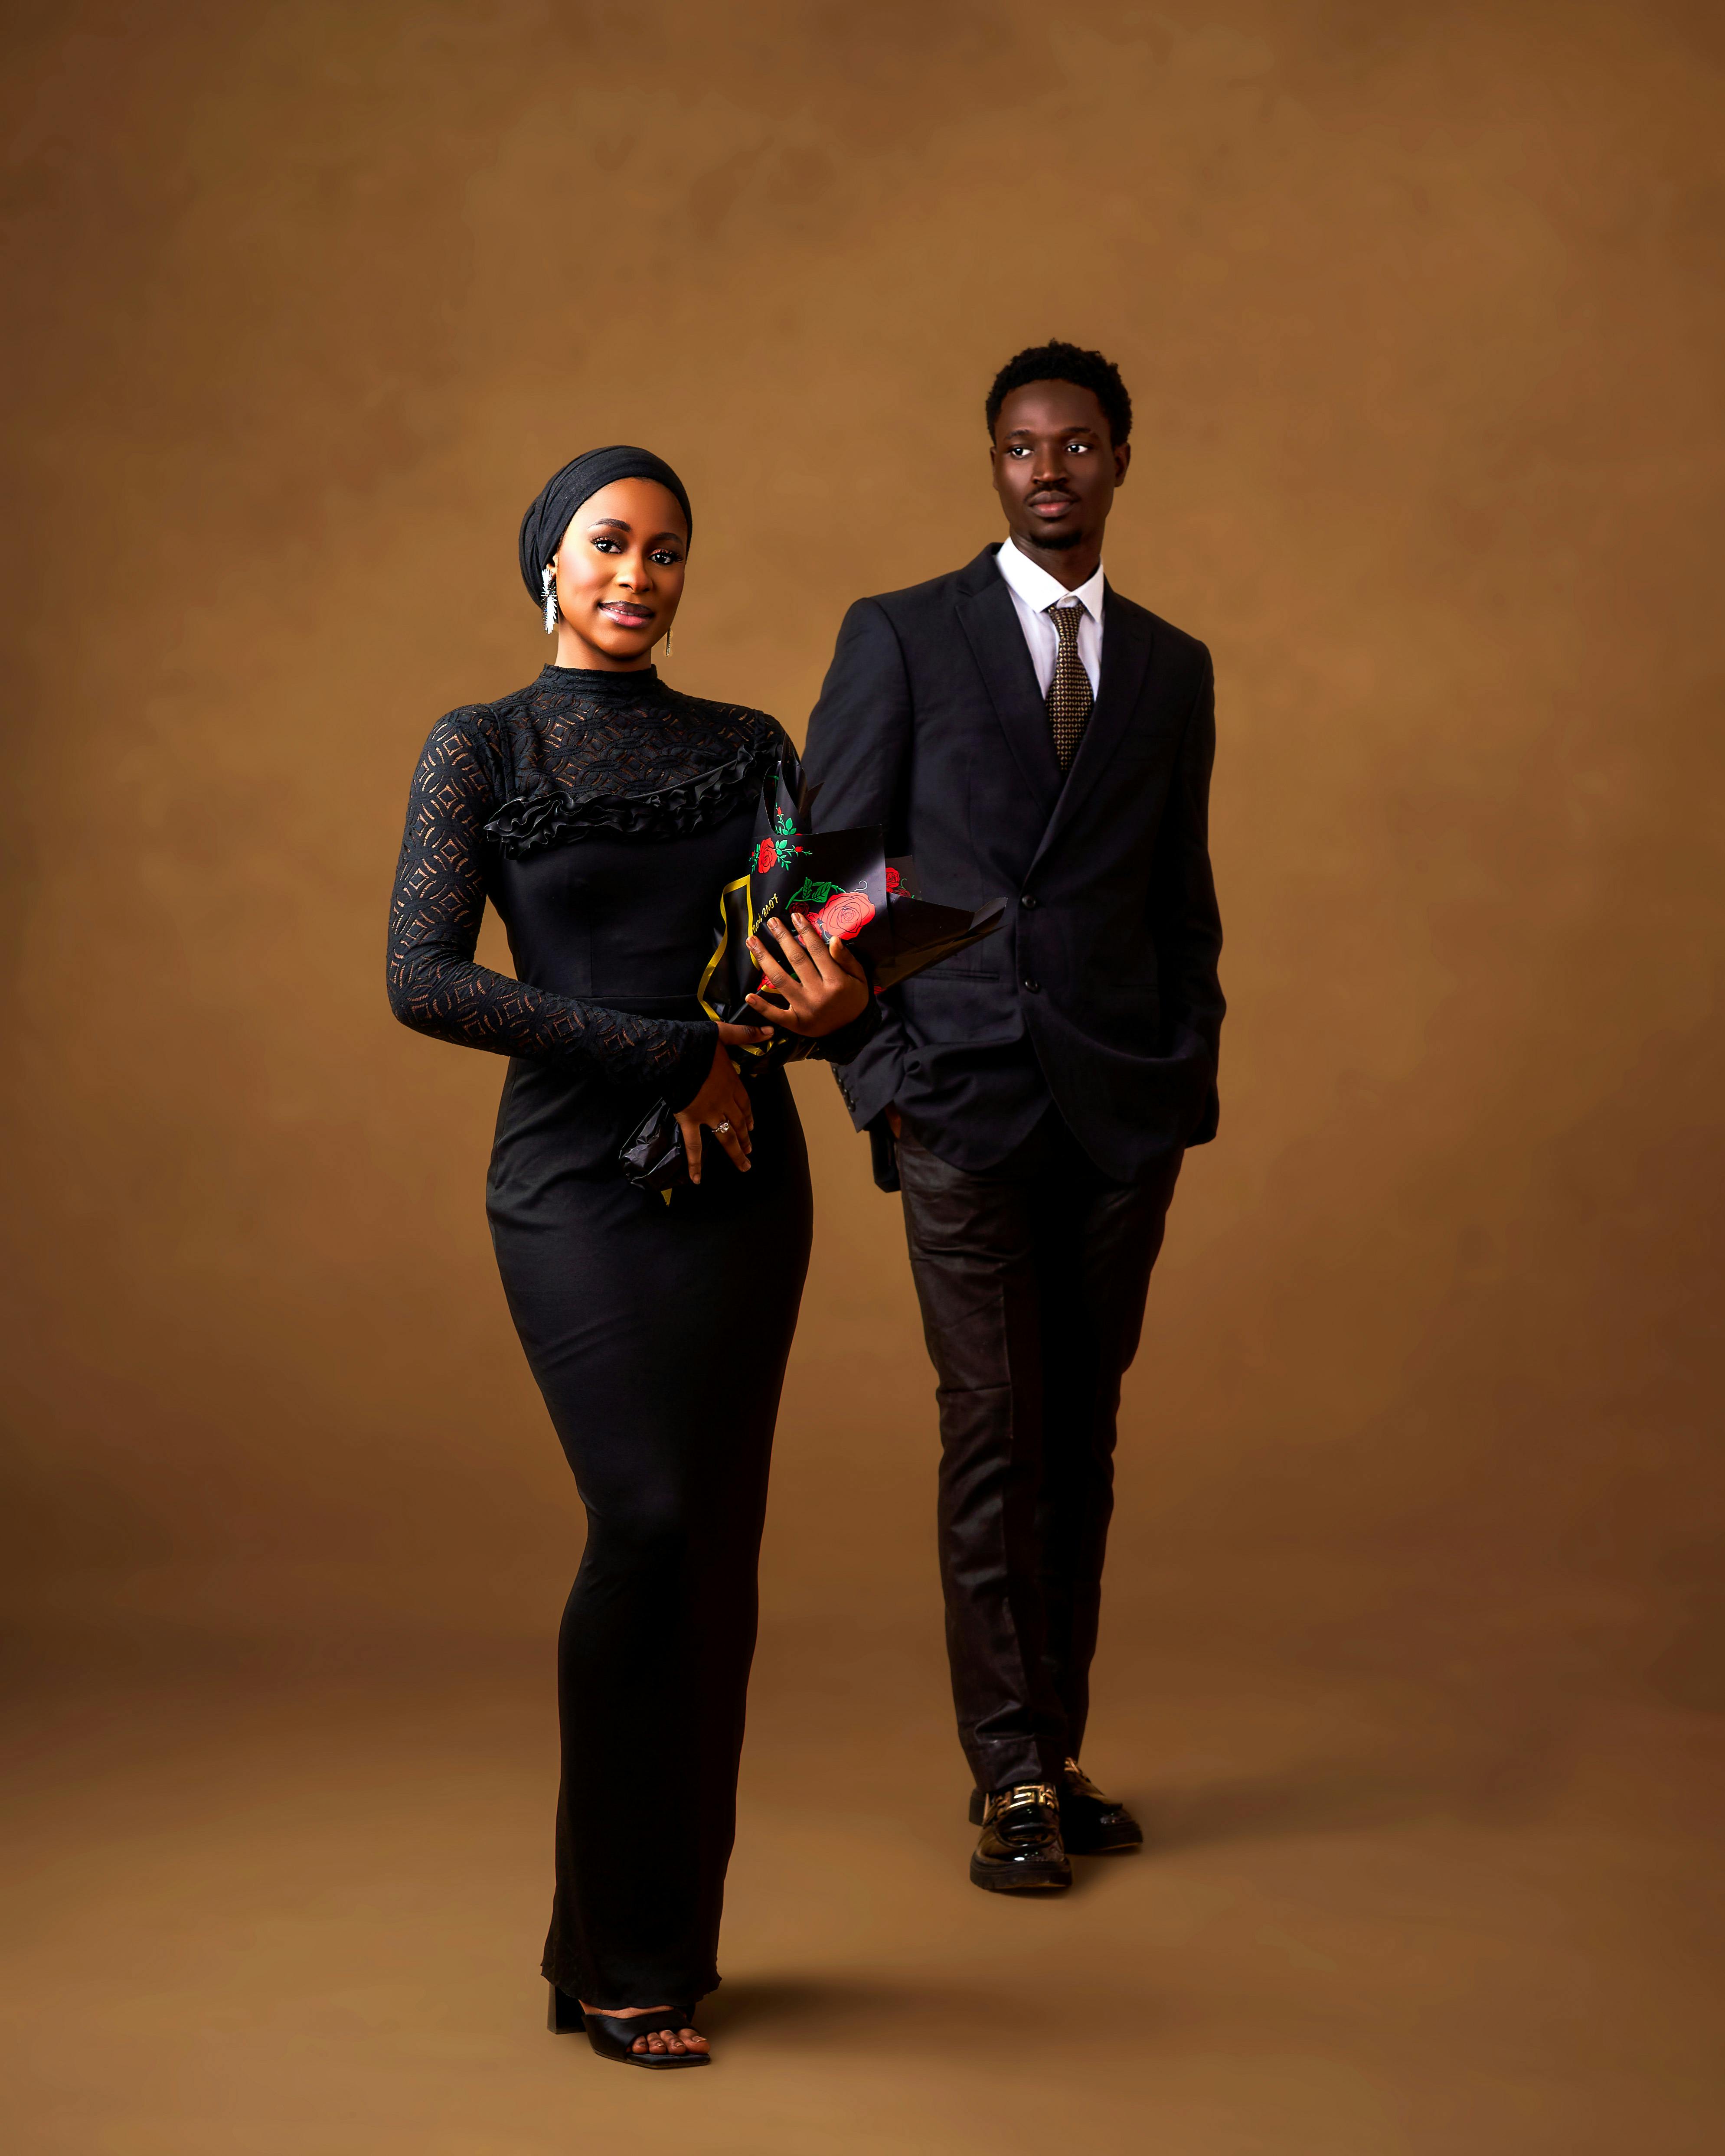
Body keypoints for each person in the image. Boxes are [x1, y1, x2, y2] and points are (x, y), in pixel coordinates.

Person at [386, 447, 872, 2066]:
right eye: (608, 542)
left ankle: (632, 1950)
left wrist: (835, 1008)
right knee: (647, 1525)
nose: (638, 574)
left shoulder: (750, 747)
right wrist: (673, 1060)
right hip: (575, 1182)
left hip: (745, 1179)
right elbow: (426, 980)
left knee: (714, 1571)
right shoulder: (484, 743)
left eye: (667, 552)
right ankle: (612, 1940)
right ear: (546, 559)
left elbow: (801, 946)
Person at [803, 342, 1224, 1893]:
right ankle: (1008, 1779)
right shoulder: (904, 636)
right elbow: (835, 872)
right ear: (993, 466)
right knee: (992, 1434)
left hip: (1117, 1113)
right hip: (959, 1102)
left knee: (1081, 1439)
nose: (1049, 470)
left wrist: (1184, 1070)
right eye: (1020, 449)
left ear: (1118, 461)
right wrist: (879, 1079)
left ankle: (1057, 1747)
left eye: (1078, 446)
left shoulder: (1170, 669)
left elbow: (1179, 894)